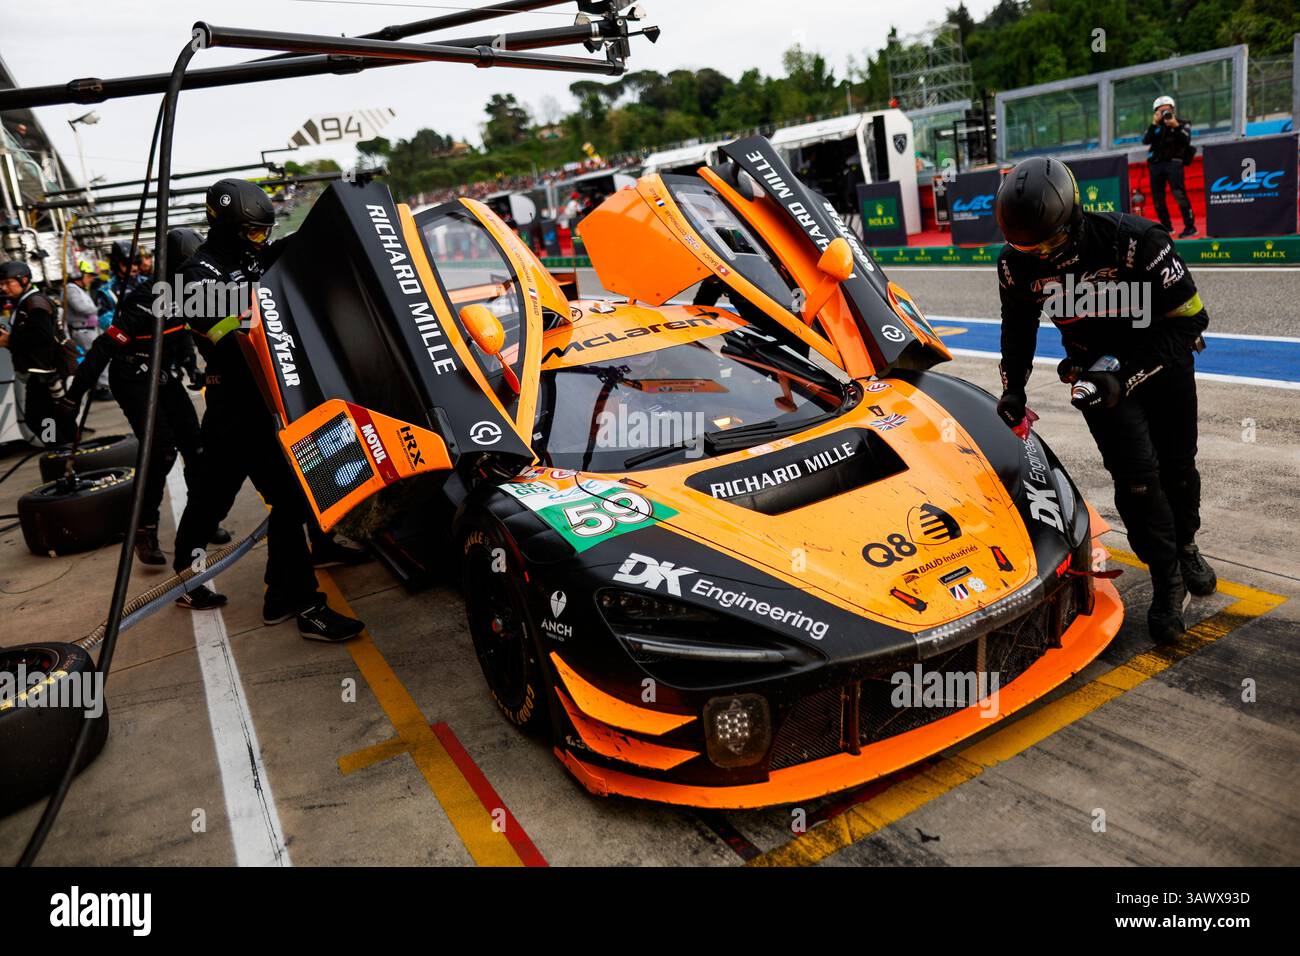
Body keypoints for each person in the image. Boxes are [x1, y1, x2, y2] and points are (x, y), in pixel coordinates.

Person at [992, 156, 1217, 645]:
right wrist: (1014, 385)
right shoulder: (1015, 264)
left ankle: (1186, 544)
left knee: (1179, 469)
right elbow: (1017, 327)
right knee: (1137, 483)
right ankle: (1167, 581)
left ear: (1074, 217)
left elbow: (1192, 319)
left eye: (1049, 243)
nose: (1043, 256)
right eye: (1029, 247)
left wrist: (1131, 375)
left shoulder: (1138, 241)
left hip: (1163, 362)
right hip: (1096, 378)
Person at [169, 178, 363, 642]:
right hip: (236, 407)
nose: (260, 239)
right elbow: (236, 338)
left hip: (274, 400)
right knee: (231, 498)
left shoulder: (251, 255)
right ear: (226, 226)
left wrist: (339, 213)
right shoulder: (196, 276)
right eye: (253, 232)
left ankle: (300, 575)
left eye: (263, 232)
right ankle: (282, 597)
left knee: (279, 493)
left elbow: (290, 253)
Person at [60, 229, 231, 565]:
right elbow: (102, 348)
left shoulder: (188, 291)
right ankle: (144, 528)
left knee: (197, 447)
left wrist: (193, 367)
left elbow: (186, 331)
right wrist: (73, 397)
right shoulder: (144, 298)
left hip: (164, 375)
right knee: (162, 451)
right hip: (132, 377)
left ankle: (203, 521)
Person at [0, 260, 75, 445]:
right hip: (42, 371)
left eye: (7, 282)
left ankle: (60, 451)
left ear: (24, 280)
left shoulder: (35, 304)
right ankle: (67, 454)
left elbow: (43, 338)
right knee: (52, 417)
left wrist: (10, 340)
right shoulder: (27, 302)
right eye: (0, 284)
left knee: (39, 418)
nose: (2, 288)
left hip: (46, 373)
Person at [1142, 95, 1197, 238]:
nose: (1164, 114)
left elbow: (1186, 140)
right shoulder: (1155, 127)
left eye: (1167, 110)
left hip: (1174, 163)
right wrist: (1154, 124)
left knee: (1179, 194)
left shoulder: (1182, 123)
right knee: (1157, 198)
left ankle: (1190, 226)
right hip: (1156, 165)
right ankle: (1166, 227)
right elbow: (1145, 140)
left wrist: (1175, 126)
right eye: (1160, 111)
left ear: (1173, 110)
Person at [64, 259, 110, 398]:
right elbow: (82, 308)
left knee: (94, 357)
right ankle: (101, 388)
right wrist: (99, 309)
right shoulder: (71, 289)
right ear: (78, 276)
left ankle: (99, 386)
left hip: (88, 329)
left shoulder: (78, 290)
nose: (90, 279)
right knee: (96, 357)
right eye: (88, 276)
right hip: (83, 331)